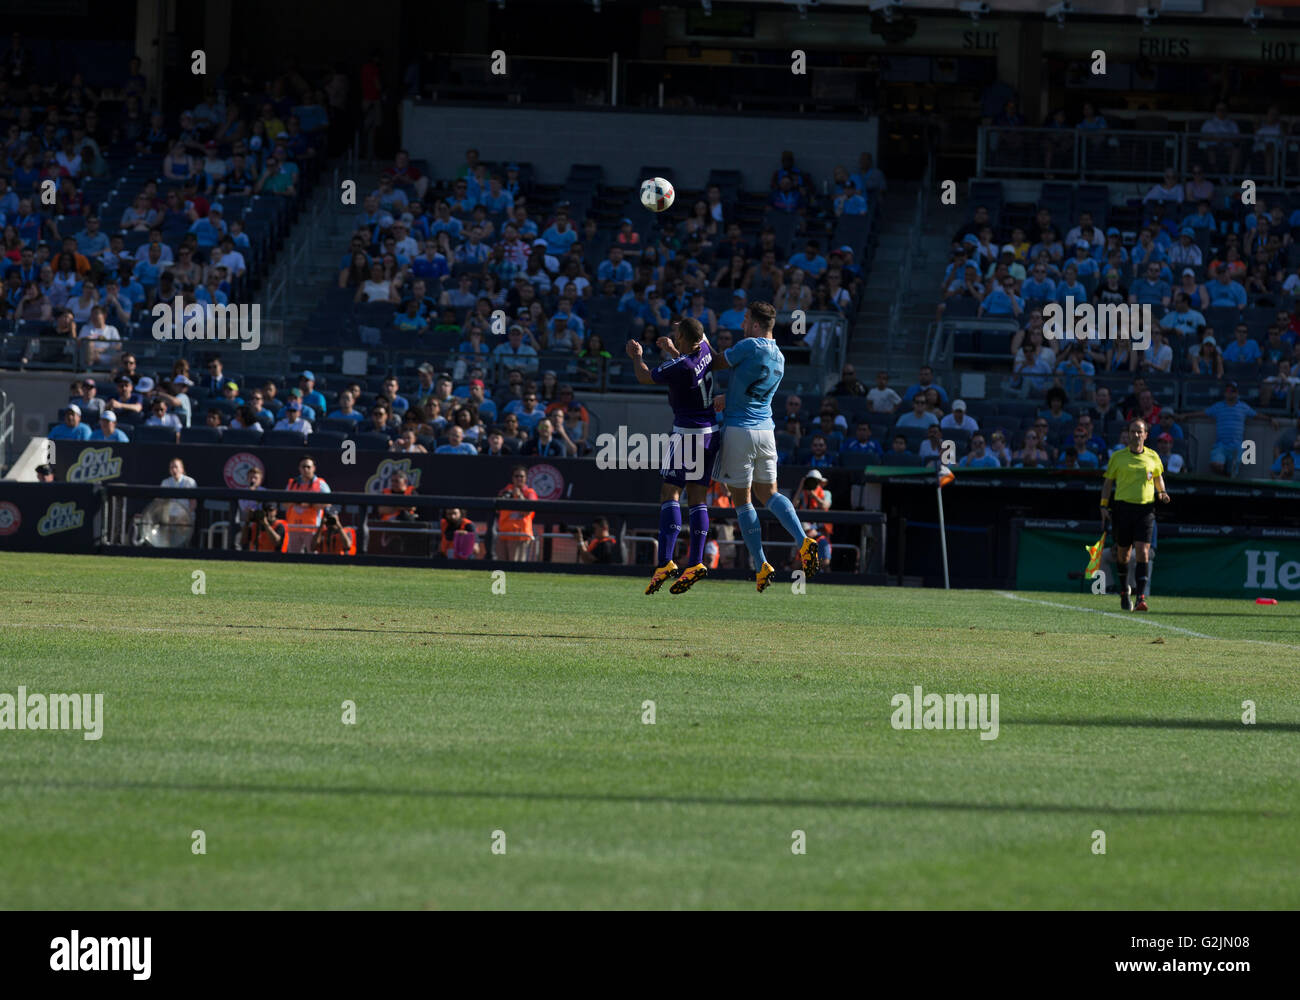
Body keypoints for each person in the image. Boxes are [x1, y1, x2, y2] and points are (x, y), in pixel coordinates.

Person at [707, 300, 820, 591]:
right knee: (768, 493)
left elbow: (716, 362)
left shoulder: (750, 346)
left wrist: (702, 343)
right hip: (766, 430)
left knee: (742, 500)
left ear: (756, 325)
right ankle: (803, 540)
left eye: (745, 320)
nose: (742, 325)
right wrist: (728, 397)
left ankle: (761, 563)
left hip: (739, 430)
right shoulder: (780, 357)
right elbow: (750, 387)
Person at [626, 317, 719, 594]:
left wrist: (637, 356)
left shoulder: (680, 365)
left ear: (684, 339)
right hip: (711, 431)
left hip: (687, 433)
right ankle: (695, 562)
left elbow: (645, 376)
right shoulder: (703, 349)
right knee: (698, 497)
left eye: (677, 334)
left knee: (670, 493)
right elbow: (691, 365)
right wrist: (674, 350)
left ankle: (665, 561)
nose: (673, 336)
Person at [1100, 418, 1170, 612]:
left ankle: (1140, 597)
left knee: (1143, 551)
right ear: (1128, 434)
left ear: (1146, 435)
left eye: (1140, 431)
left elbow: (1158, 478)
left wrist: (1162, 493)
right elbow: (1108, 483)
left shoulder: (1153, 457)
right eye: (1133, 431)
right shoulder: (1118, 457)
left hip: (1145, 509)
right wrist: (1103, 506)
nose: (1136, 435)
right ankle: (1124, 591)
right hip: (1123, 509)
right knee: (1123, 554)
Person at [284, 455, 330, 553]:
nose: (305, 469)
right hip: (294, 526)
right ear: (299, 468)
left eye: (308, 467)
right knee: (293, 559)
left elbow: (328, 503)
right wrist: (296, 501)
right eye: (303, 466)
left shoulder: (320, 483)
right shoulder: (293, 483)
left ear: (314, 468)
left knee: (312, 557)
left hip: (312, 528)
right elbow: (285, 504)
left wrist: (310, 504)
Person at [496, 466, 538, 561]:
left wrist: (519, 496)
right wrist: (508, 495)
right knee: (500, 568)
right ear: (512, 478)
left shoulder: (530, 493)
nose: (519, 478)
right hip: (503, 534)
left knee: (515, 567)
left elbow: (528, 511)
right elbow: (497, 509)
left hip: (520, 536)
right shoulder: (505, 491)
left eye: (521, 476)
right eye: (516, 476)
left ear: (526, 478)